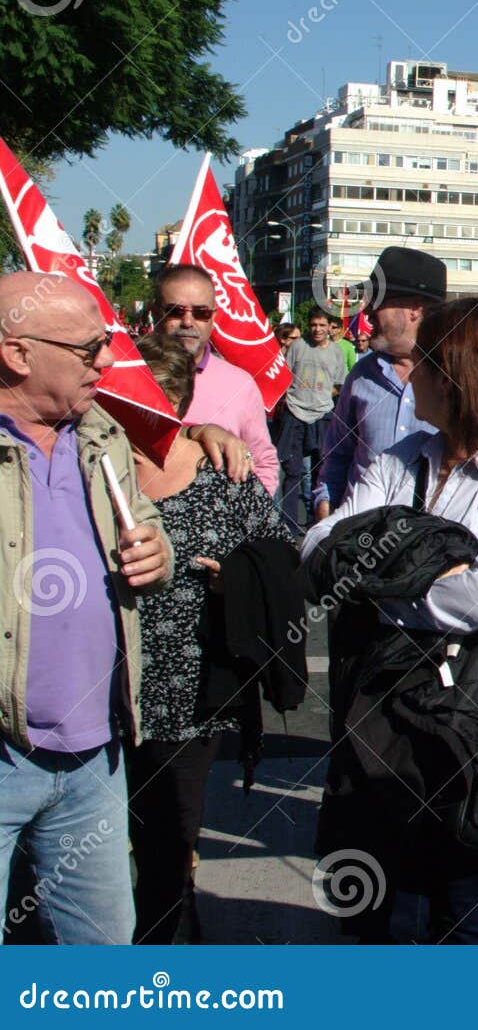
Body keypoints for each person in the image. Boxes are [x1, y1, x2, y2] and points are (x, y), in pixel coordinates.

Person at [303, 298, 478, 943]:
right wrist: (428, 572)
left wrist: (377, 579)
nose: (406, 372)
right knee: (366, 901)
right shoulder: (402, 456)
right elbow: (316, 549)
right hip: (385, 710)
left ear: (456, 375)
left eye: (420, 361)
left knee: (468, 909)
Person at [0, 272, 171, 945]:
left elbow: (145, 520)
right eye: (88, 348)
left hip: (94, 758)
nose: (106, 361)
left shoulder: (100, 434)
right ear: (17, 353)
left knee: (102, 958)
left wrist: (157, 550)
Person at [126, 334, 289, 944]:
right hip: (99, 690)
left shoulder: (224, 471)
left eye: (161, 404)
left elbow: (281, 554)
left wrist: (237, 576)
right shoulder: (90, 462)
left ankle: (169, 964)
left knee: (170, 840)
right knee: (98, 846)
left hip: (189, 687)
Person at [315, 246, 447, 519]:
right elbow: (338, 454)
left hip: (425, 542)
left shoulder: (453, 379)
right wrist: (325, 504)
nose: (367, 311)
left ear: (413, 309)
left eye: (379, 300)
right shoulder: (362, 375)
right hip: (356, 539)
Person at [153, 265, 279, 495]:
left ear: (213, 317)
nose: (188, 322)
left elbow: (262, 460)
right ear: (155, 312)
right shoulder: (128, 378)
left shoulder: (240, 384)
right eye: (175, 311)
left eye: (200, 313)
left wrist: (250, 519)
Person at [276, 309, 346, 530]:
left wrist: (322, 396)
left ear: (329, 327)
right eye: (314, 325)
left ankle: (319, 523)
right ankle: (289, 524)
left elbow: (338, 384)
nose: (317, 329)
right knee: (292, 471)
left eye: (322, 325)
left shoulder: (336, 352)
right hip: (295, 413)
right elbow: (284, 376)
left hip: (322, 415)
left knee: (321, 471)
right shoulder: (298, 346)